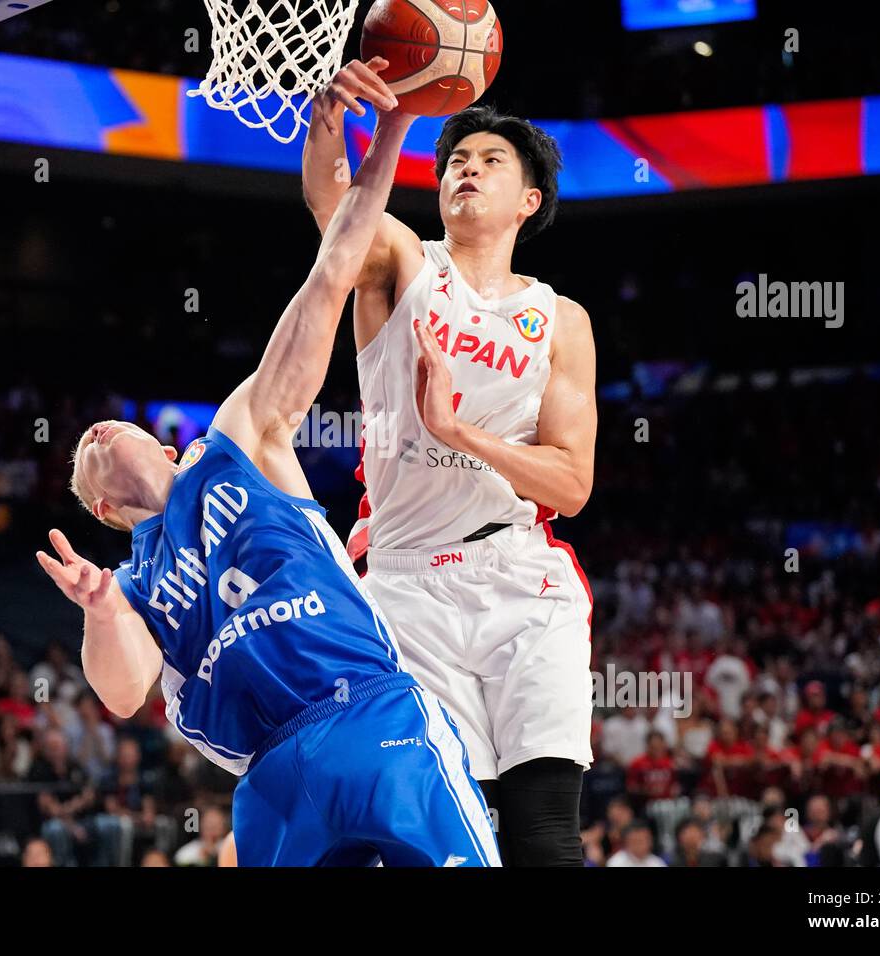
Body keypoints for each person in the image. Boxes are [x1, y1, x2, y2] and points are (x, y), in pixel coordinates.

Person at [37, 105, 499, 867]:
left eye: (101, 429)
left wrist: (393, 130)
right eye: (81, 468)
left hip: (369, 715)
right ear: (106, 511)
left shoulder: (240, 441)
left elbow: (333, 271)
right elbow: (123, 694)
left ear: (163, 443)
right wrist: (99, 609)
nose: (89, 438)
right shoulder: (132, 583)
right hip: (271, 781)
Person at [302, 59, 597, 866]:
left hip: (520, 581)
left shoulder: (561, 319)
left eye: (490, 160)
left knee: (543, 831)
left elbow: (571, 484)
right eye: (457, 159)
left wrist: (462, 433)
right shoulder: (404, 260)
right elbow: (337, 211)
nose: (467, 167)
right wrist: (329, 127)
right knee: (447, 839)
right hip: (406, 590)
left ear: (528, 201)